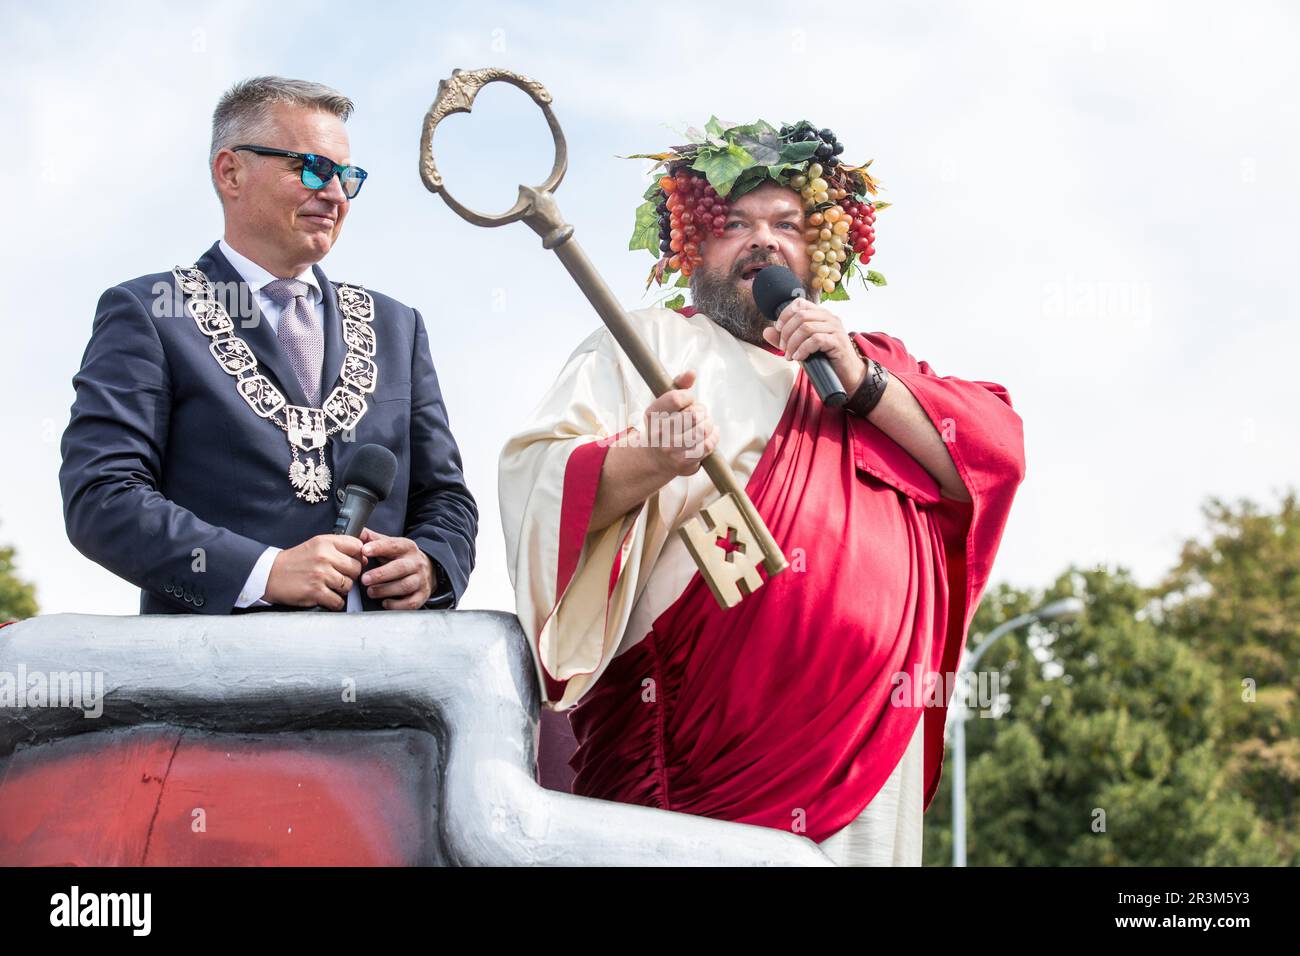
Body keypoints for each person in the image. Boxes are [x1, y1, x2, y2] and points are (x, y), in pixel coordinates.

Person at [499, 119, 1025, 864]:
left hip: (870, 749)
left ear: (824, 251)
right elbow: (538, 479)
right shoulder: (650, 341)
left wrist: (862, 379)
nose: (764, 241)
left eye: (787, 224)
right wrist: (647, 457)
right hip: (703, 761)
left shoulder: (872, 366)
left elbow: (989, 451)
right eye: (735, 224)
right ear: (692, 246)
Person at [60, 76, 477, 615]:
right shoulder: (152, 311)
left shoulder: (397, 325)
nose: (333, 194)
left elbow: (444, 496)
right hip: (219, 681)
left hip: (388, 678)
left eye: (347, 177)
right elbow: (102, 498)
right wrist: (263, 571)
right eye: (311, 168)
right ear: (230, 172)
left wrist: (432, 565)